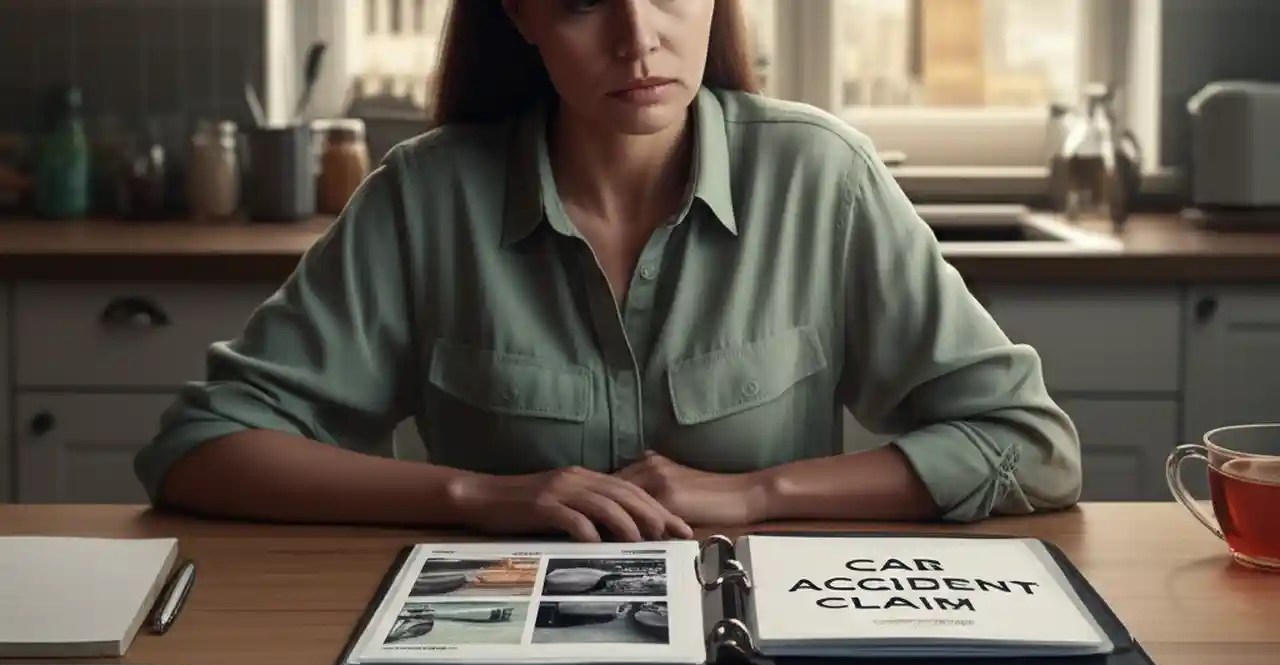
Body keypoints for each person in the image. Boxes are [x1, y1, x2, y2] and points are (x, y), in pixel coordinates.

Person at [135, 0, 1082, 543]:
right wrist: (482, 496)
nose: (639, 39)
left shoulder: (820, 177)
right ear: (523, 12)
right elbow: (202, 447)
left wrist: (760, 493)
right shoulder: (421, 198)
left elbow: (1030, 445)